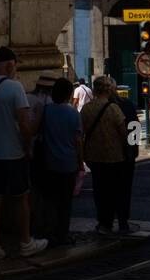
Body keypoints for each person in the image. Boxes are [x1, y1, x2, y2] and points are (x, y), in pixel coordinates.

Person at [0, 46, 47, 259]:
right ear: (9, 65)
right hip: (12, 154)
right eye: (14, 66)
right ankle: (26, 242)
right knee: (21, 199)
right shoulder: (15, 88)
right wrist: (28, 145)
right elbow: (24, 124)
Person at [36, 78, 83, 247]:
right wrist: (80, 163)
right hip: (68, 164)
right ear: (69, 94)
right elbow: (78, 141)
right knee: (65, 203)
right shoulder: (73, 113)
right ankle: (62, 234)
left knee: (49, 200)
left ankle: (49, 232)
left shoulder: (45, 111)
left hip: (49, 163)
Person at [79, 76, 128, 235]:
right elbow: (123, 132)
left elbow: (81, 132)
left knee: (99, 189)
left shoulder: (86, 109)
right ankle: (109, 221)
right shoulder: (114, 108)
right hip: (113, 155)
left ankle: (102, 221)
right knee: (113, 190)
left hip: (93, 156)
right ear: (109, 90)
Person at [111, 79, 141, 234]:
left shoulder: (94, 107)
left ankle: (106, 221)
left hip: (104, 156)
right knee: (124, 188)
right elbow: (135, 126)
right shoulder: (127, 105)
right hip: (126, 154)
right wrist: (134, 149)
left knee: (106, 189)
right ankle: (123, 220)